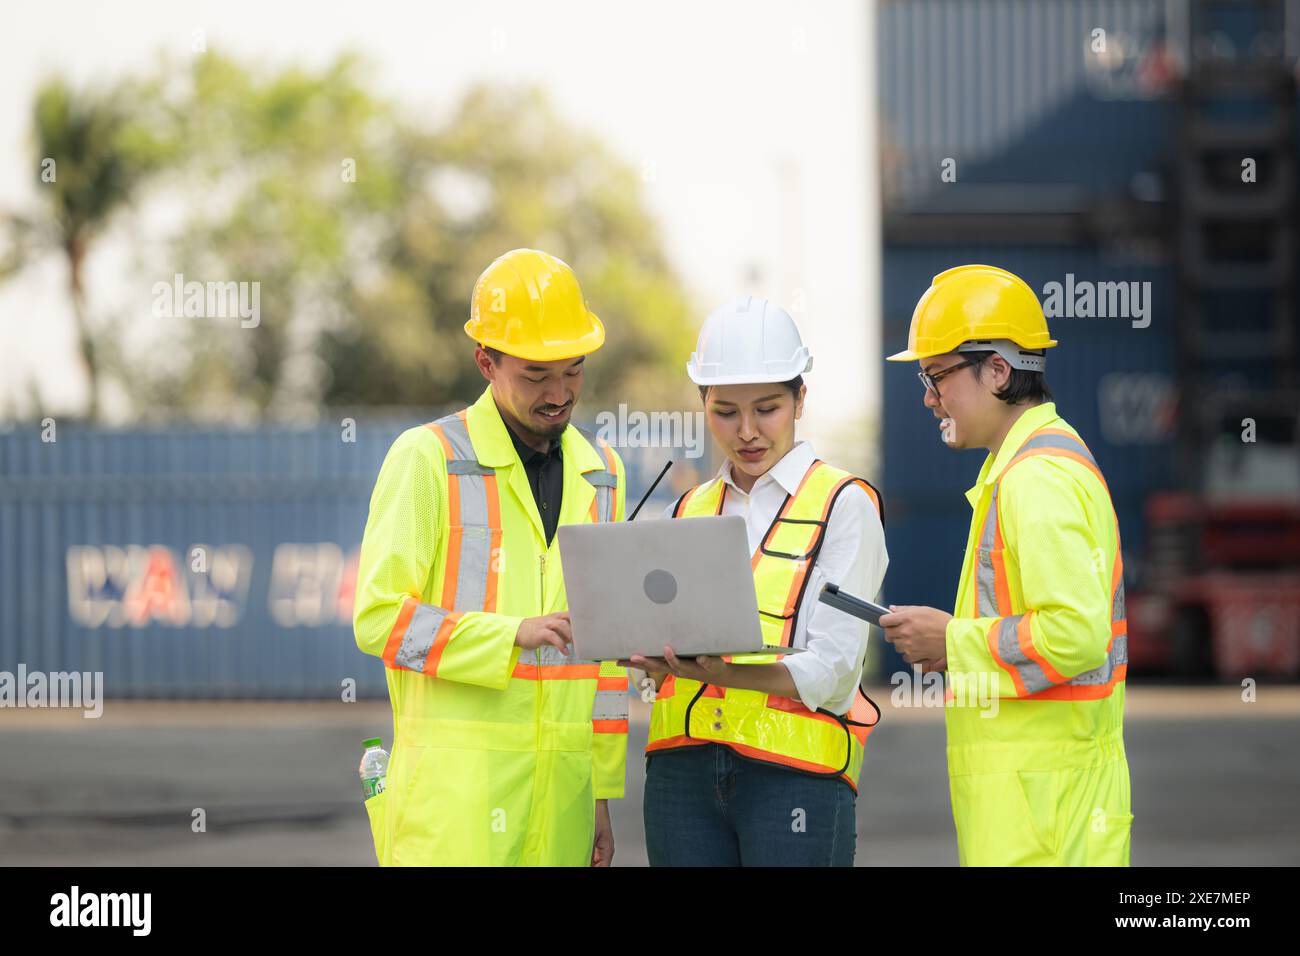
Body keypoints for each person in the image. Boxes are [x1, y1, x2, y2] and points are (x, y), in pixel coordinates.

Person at [353, 248, 629, 866]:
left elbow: (603, 663)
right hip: (455, 811)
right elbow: (378, 619)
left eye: (574, 370)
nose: (560, 393)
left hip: (562, 805)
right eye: (537, 374)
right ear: (486, 361)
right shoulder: (426, 459)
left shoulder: (604, 474)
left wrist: (601, 793)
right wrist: (510, 636)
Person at [880, 264, 1132, 866]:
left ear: (997, 370)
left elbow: (1074, 635)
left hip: (1047, 818)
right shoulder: (1026, 469)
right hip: (1040, 805)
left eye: (937, 376)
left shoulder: (1035, 479)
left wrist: (952, 640)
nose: (928, 396)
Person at [628, 296, 888, 867]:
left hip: (794, 781)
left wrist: (728, 673)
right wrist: (646, 656)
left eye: (766, 408)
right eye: (725, 411)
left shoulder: (845, 505)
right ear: (703, 404)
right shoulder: (688, 507)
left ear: (800, 399)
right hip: (680, 775)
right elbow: (662, 669)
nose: (746, 432)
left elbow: (838, 671)